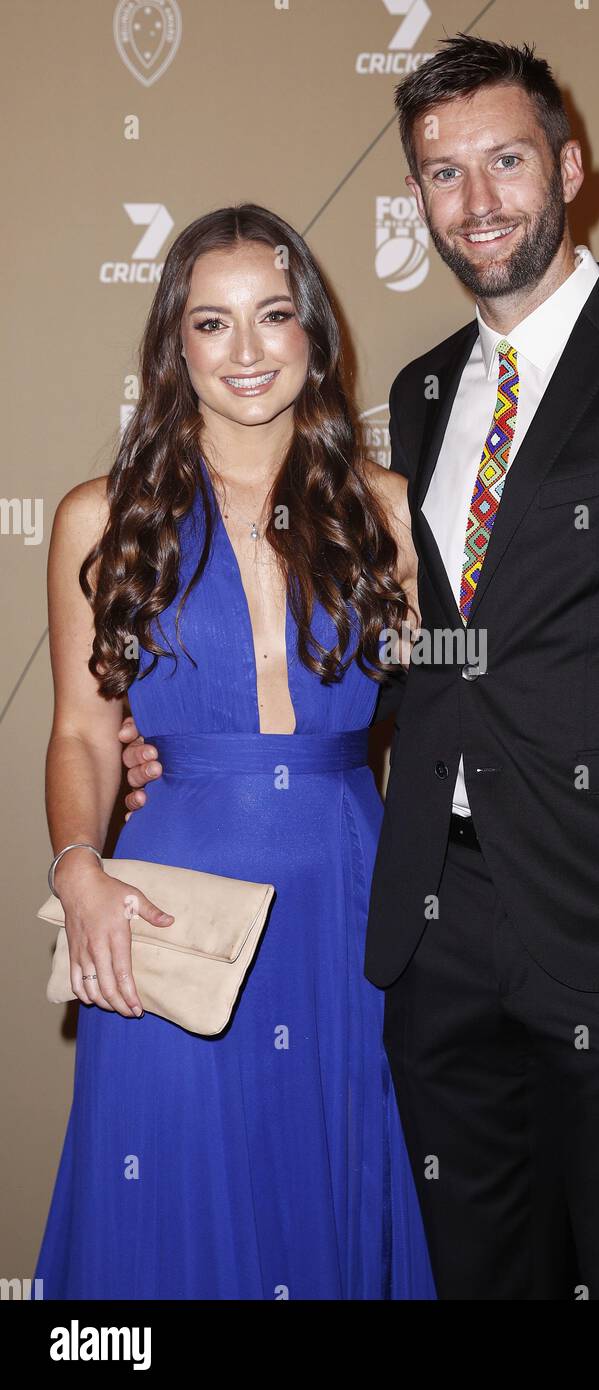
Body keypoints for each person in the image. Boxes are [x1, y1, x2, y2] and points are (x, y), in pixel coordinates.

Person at [121, 36, 599, 1300]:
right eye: (442, 174)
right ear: (418, 203)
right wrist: (230, 726)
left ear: (567, 164)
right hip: (435, 934)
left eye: (504, 160)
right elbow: (447, 651)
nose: (478, 199)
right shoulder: (429, 391)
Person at [33, 204, 435, 1300]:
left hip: (350, 900)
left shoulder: (393, 515)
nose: (247, 352)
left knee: (334, 1183)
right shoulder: (100, 517)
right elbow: (78, 729)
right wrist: (78, 868)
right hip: (163, 913)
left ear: (314, 331)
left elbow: (466, 717)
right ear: (176, 346)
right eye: (212, 324)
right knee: (170, 1205)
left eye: (273, 316)